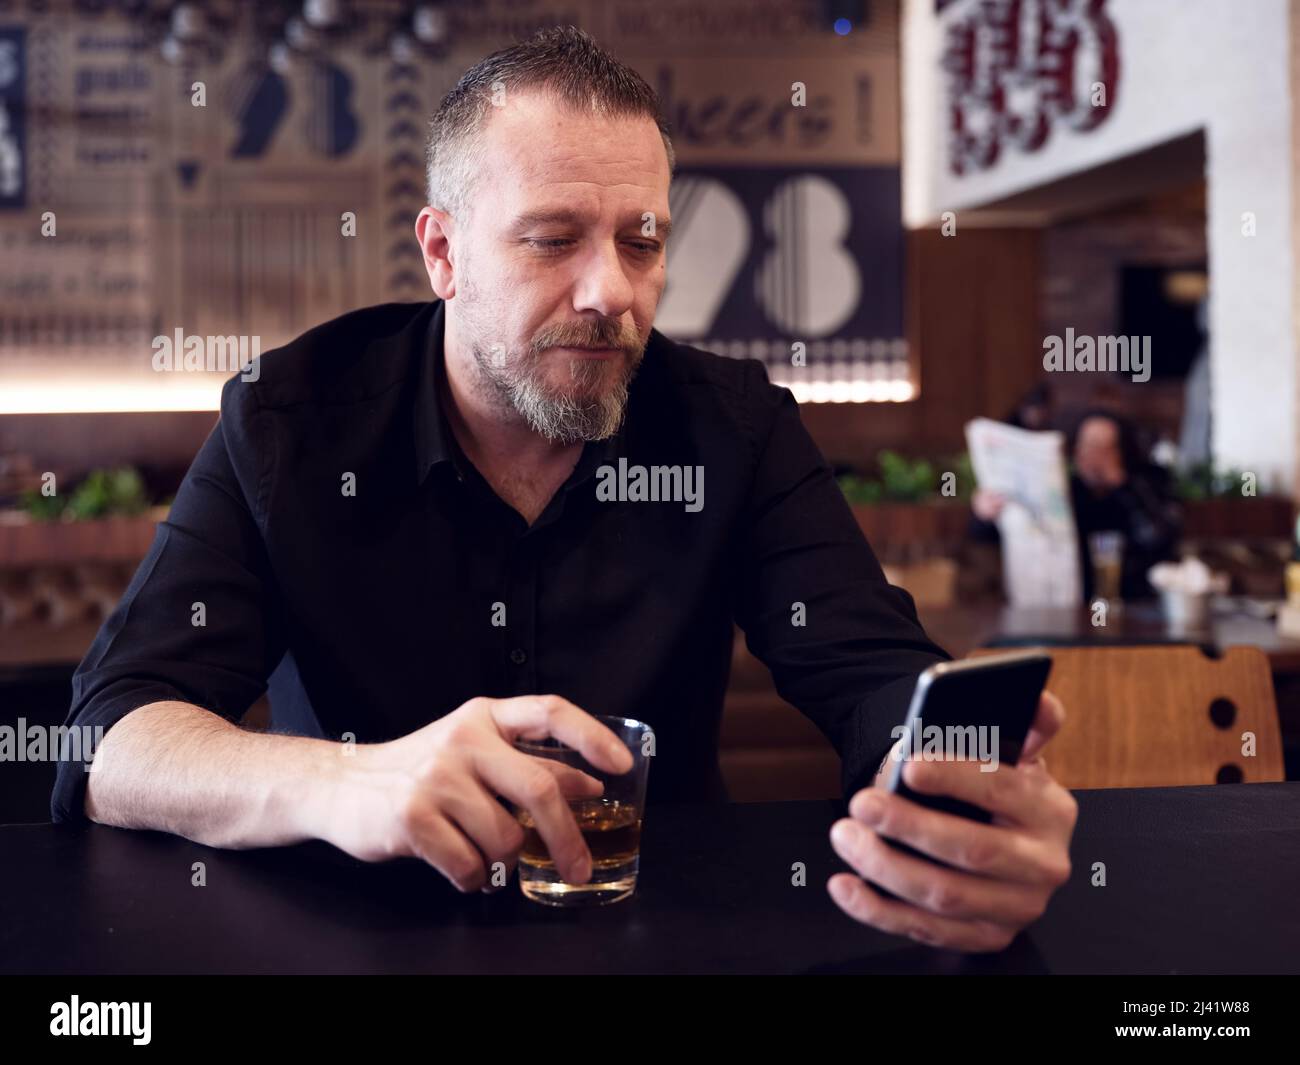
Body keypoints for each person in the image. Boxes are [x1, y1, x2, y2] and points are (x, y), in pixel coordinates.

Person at [55, 27, 1076, 953]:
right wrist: (352, 780)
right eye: (552, 239)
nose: (612, 294)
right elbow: (111, 736)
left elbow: (869, 672)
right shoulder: (289, 421)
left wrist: (957, 793)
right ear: (442, 252)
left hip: (656, 934)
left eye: (643, 241)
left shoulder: (735, 426)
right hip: (350, 936)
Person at [972, 409, 1182, 600]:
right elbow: (988, 537)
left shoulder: (1146, 486)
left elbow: (1159, 540)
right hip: (1073, 606)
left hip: (1136, 604)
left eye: (1101, 447)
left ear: (1121, 453)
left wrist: (1120, 484)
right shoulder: (1066, 492)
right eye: (1086, 445)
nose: (1090, 454)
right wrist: (984, 513)